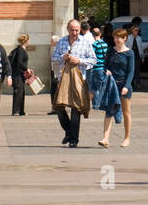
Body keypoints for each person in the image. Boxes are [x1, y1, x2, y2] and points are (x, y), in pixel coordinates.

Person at [52, 19, 96, 148]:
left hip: (79, 79)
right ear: (67, 29)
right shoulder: (61, 42)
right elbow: (53, 59)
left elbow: (93, 60)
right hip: (63, 78)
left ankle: (73, 139)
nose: (74, 32)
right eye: (72, 30)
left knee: (76, 109)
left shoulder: (85, 42)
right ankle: (69, 131)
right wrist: (62, 58)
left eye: (77, 30)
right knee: (58, 106)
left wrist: (79, 60)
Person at [98, 26, 135, 147]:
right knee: (109, 111)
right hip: (112, 85)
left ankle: (127, 138)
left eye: (118, 38)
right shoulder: (110, 51)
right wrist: (106, 70)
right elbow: (104, 65)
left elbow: (131, 71)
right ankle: (105, 138)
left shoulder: (130, 53)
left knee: (126, 112)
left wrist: (127, 86)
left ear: (125, 38)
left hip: (124, 85)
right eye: (115, 38)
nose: (116, 40)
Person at [10, 34, 30, 117]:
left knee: (22, 92)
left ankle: (21, 111)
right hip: (17, 75)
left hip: (20, 74)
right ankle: (16, 111)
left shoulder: (21, 49)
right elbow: (19, 62)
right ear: (26, 41)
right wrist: (26, 69)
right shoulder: (21, 50)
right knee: (18, 92)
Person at [90, 24, 108, 95]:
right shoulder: (105, 44)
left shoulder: (94, 44)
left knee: (96, 88)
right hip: (103, 67)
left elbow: (91, 56)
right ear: (100, 34)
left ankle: (96, 105)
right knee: (102, 87)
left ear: (92, 35)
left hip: (96, 68)